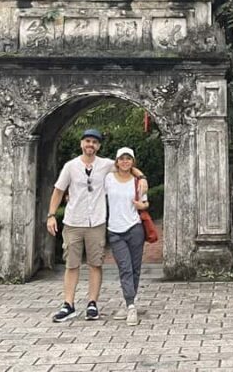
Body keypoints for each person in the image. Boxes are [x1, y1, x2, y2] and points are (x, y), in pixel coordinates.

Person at [46, 128, 112, 323]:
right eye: (87, 141)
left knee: (95, 263)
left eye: (94, 142)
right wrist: (51, 215)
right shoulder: (71, 166)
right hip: (73, 221)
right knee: (71, 264)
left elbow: (127, 166)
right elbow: (58, 191)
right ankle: (68, 304)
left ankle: (92, 303)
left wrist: (141, 178)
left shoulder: (106, 165)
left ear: (98, 146)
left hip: (96, 221)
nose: (90, 145)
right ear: (81, 143)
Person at [105, 146, 149, 325]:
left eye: (128, 158)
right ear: (116, 161)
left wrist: (141, 205)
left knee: (135, 268)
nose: (125, 161)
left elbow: (145, 203)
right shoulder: (108, 179)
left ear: (133, 161)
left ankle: (127, 302)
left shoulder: (138, 182)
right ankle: (131, 305)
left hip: (134, 228)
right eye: (122, 158)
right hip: (115, 230)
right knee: (125, 267)